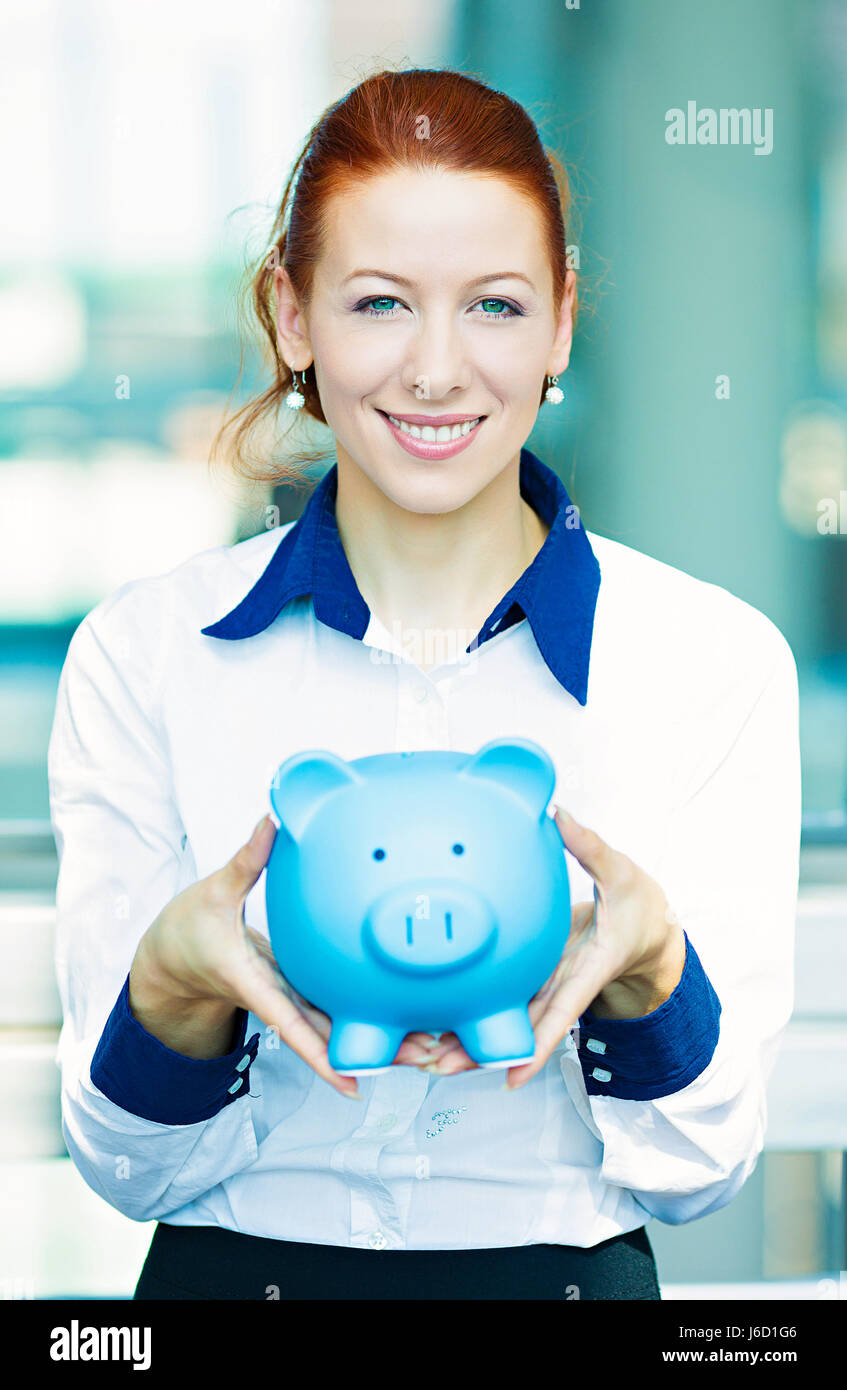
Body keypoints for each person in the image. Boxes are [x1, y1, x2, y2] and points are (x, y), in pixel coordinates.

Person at [47, 67, 801, 1301]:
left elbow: (698, 1170)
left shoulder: (706, 661)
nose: (437, 370)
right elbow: (130, 1170)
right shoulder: (147, 655)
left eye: (495, 306)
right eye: (380, 303)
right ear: (291, 317)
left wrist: (653, 969)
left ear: (561, 321)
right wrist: (171, 984)